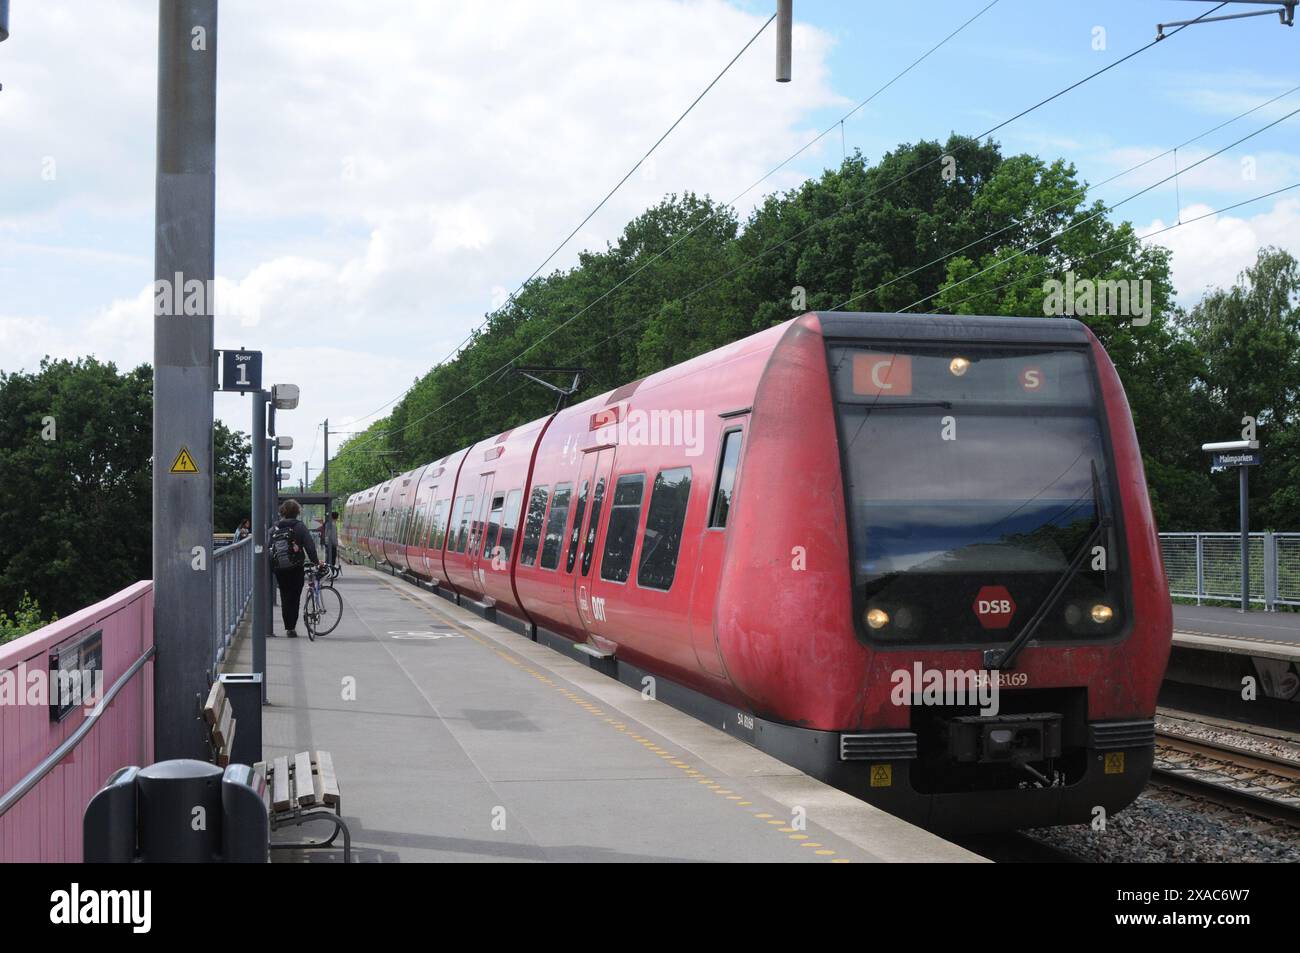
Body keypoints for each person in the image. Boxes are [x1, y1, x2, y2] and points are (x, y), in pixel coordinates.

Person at [268, 499, 321, 637]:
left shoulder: (275, 528)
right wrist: (316, 562)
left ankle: (288, 627)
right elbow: (310, 546)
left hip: (280, 568)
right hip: (296, 567)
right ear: (297, 512)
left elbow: (268, 546)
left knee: (285, 596)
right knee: (295, 597)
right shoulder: (300, 527)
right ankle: (292, 627)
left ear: (282, 512)